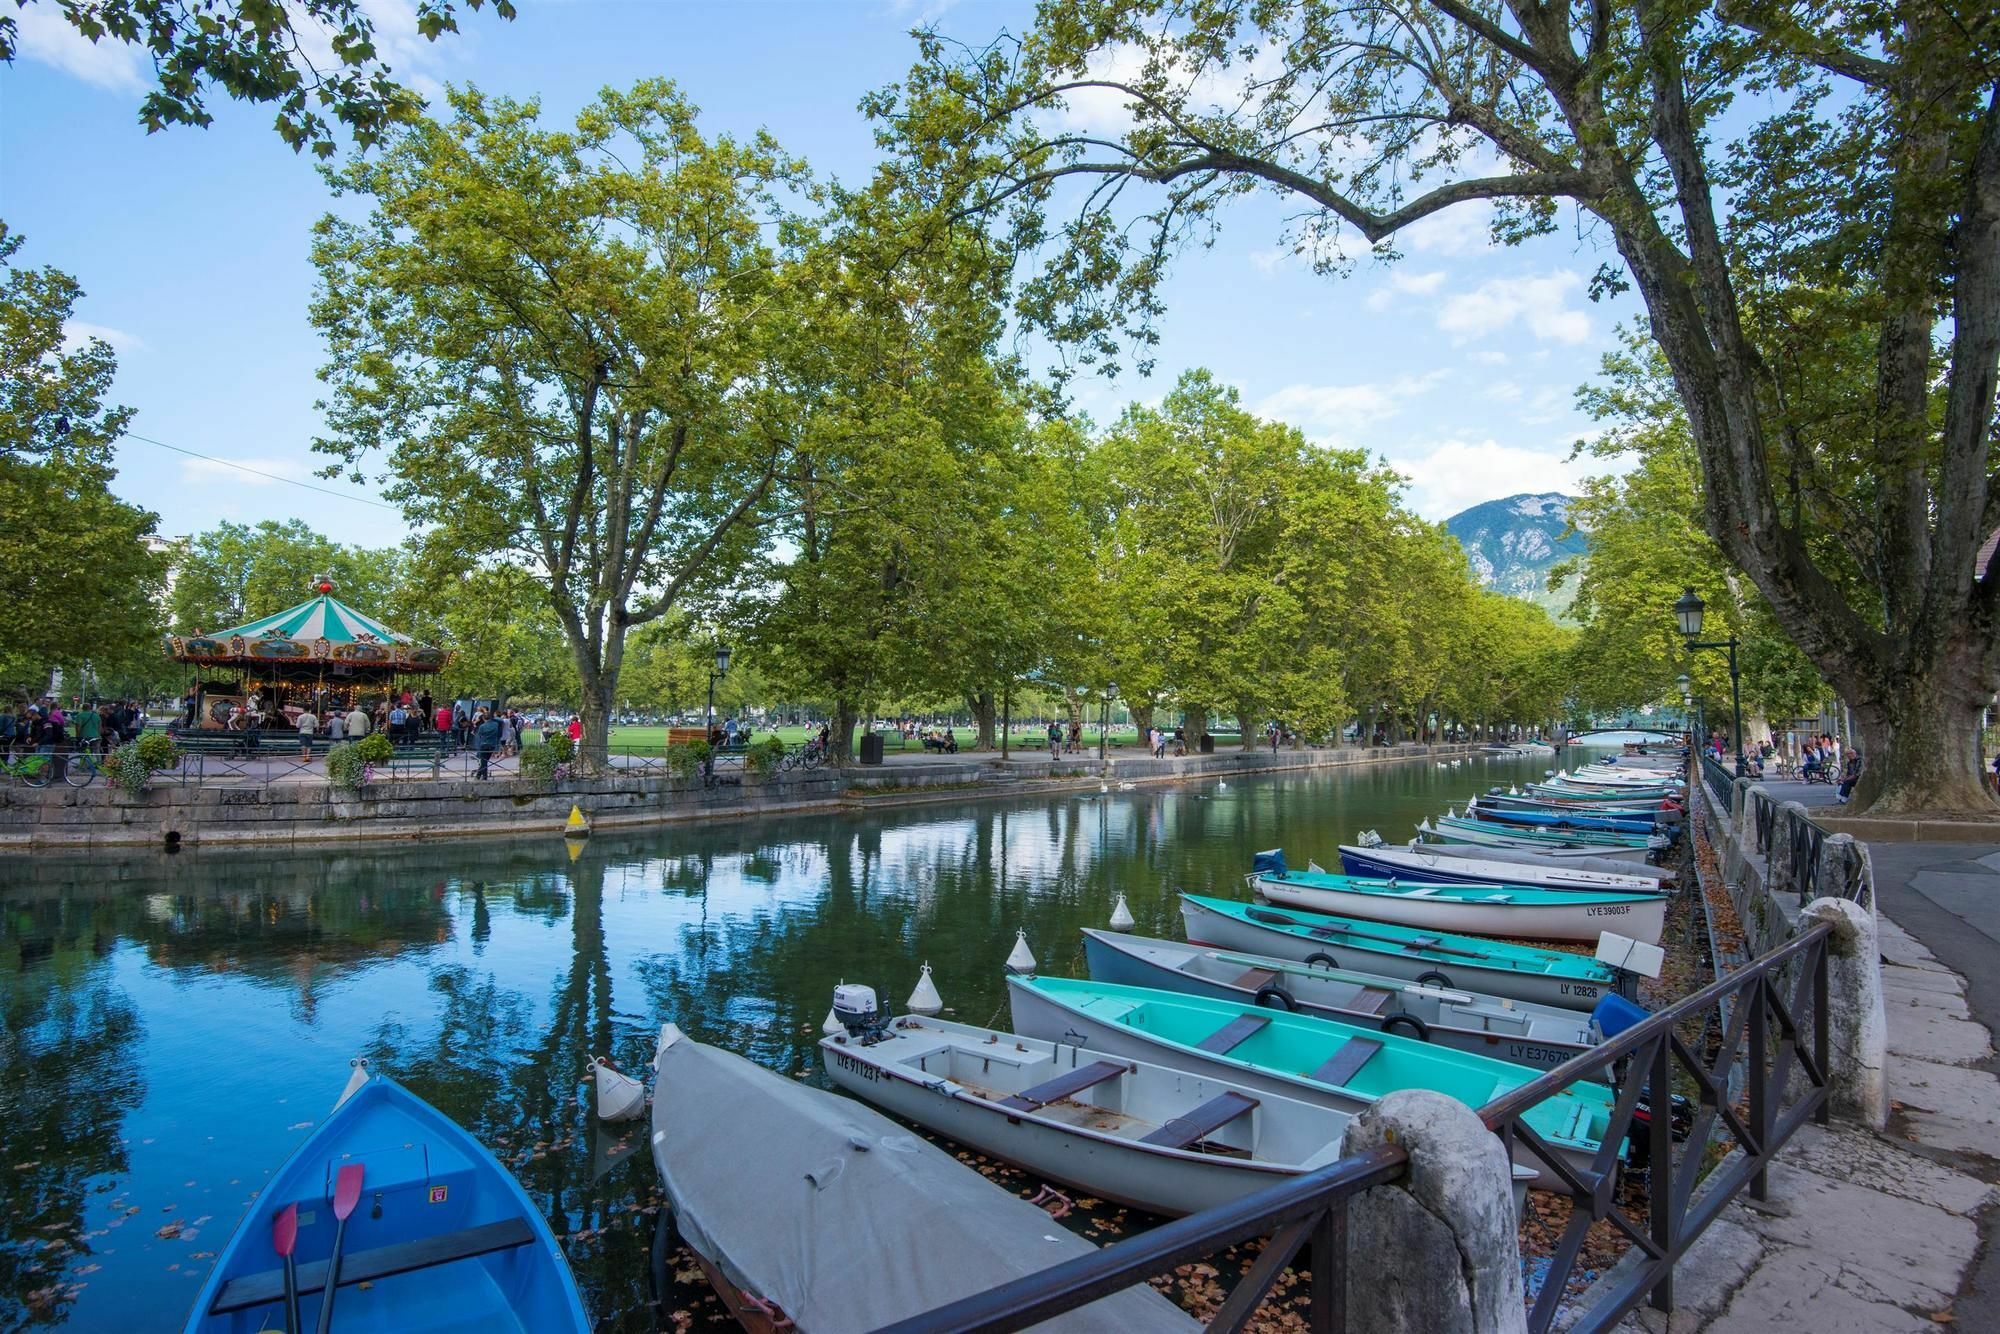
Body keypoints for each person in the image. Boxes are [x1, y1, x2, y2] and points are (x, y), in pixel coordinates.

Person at [472, 708, 503, 779]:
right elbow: (499, 722)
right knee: (485, 761)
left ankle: (484, 776)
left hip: (484, 744)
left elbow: (479, 735)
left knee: (484, 761)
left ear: (483, 718)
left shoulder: (482, 726)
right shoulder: (495, 724)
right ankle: (478, 776)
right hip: (492, 744)